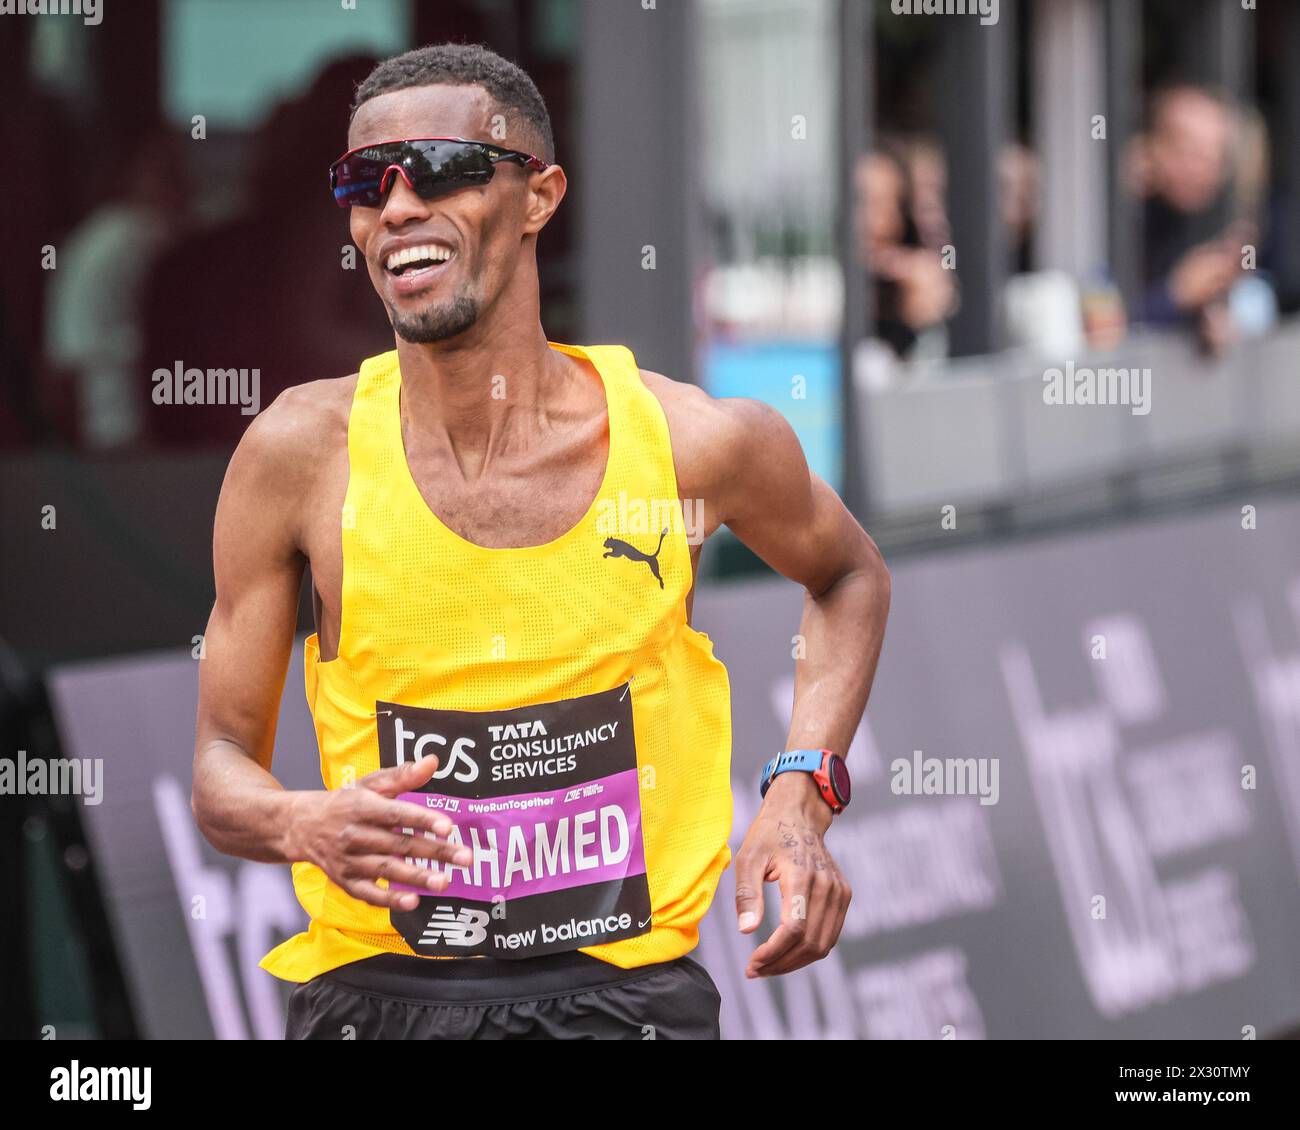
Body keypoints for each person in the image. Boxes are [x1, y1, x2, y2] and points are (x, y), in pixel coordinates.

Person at [192, 43, 890, 1041]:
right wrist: (302, 820)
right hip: (380, 999)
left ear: (539, 196)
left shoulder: (692, 444)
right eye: (364, 182)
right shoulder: (300, 454)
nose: (397, 207)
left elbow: (849, 574)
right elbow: (221, 764)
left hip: (623, 1002)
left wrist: (801, 794)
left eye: (441, 169)